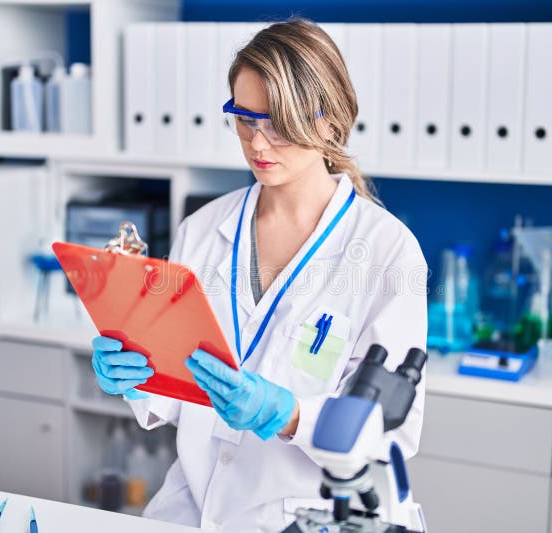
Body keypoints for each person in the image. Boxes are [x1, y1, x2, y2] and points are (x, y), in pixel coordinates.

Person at [90, 18, 428, 532]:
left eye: (279, 122)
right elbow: (182, 393)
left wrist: (290, 415)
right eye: (245, 118)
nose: (258, 142)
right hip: (188, 510)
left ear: (331, 122)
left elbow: (389, 436)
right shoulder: (202, 230)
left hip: (306, 518)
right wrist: (138, 377)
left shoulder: (387, 253)